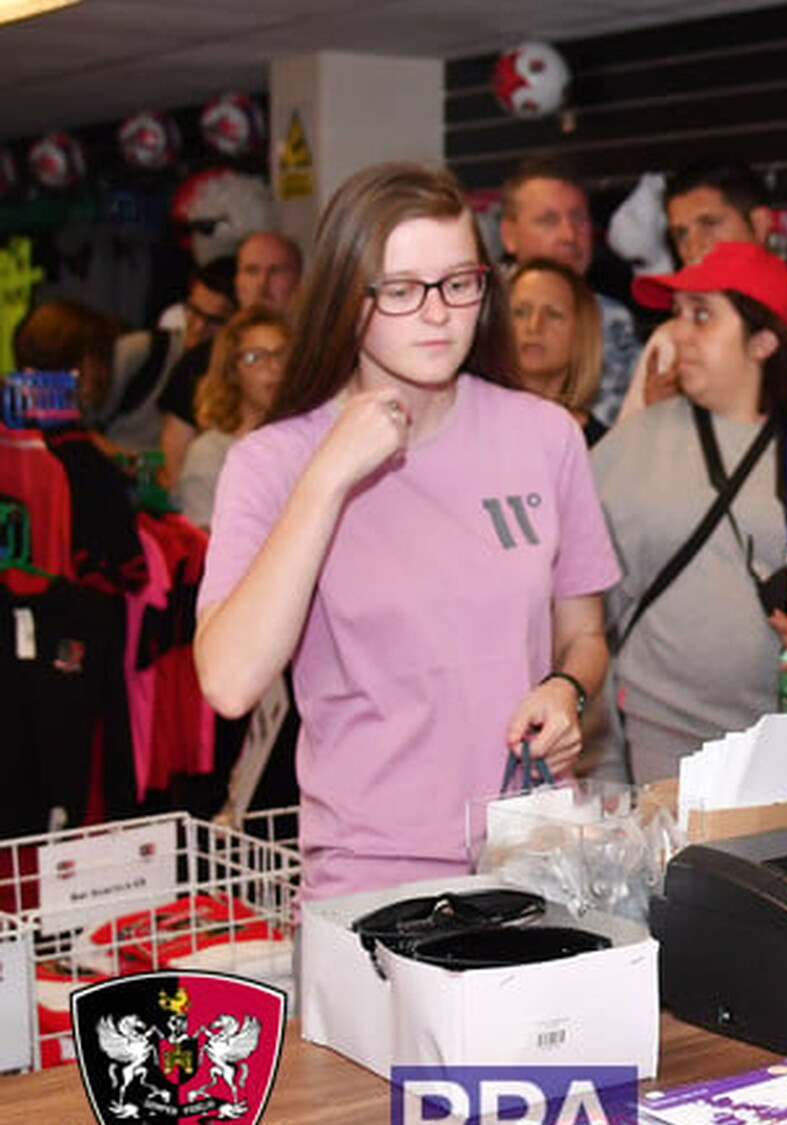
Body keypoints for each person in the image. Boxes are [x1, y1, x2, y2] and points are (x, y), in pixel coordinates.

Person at [194, 161, 621, 900]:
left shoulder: (544, 435)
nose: (437, 313)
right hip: (371, 874)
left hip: (535, 851)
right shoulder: (274, 461)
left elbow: (583, 635)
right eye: (401, 290)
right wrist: (328, 478)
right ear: (345, 298)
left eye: (459, 282)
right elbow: (230, 682)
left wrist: (564, 689)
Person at [592, 242, 787, 780]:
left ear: (762, 341)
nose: (678, 333)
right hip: (661, 742)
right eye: (678, 314)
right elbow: (585, 603)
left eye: (703, 316)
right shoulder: (633, 442)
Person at [616, 156, 787, 423]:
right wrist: (656, 419)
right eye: (681, 234)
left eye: (710, 224)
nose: (694, 246)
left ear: (759, 224)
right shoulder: (670, 338)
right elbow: (621, 457)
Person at [499, 155, 641, 429]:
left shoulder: (613, 319)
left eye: (578, 218)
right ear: (509, 235)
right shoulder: (474, 314)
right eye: (548, 220)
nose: (569, 235)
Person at [161, 233, 304, 490]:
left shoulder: (327, 355)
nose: (263, 283)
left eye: (277, 271)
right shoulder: (195, 364)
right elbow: (175, 472)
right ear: (237, 281)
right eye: (251, 271)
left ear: (300, 279)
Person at [172, 305, 287, 528]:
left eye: (282, 354)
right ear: (232, 372)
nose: (274, 367)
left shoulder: (310, 441)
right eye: (255, 357)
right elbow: (206, 548)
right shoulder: (211, 453)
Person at [508, 257, 607, 446]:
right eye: (520, 312)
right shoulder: (468, 421)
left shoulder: (602, 448)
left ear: (582, 333)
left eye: (553, 314)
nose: (534, 326)